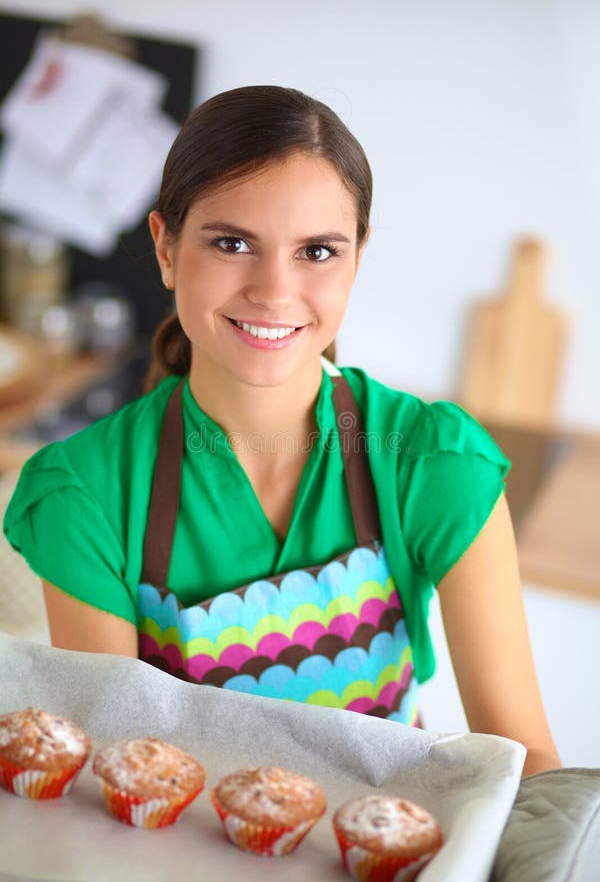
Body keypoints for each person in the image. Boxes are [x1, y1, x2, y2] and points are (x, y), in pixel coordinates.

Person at [3, 85, 560, 777]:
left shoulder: (429, 461)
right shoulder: (84, 493)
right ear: (166, 248)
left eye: (318, 251)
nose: (274, 289)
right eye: (233, 243)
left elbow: (524, 756)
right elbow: (120, 771)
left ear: (358, 255)